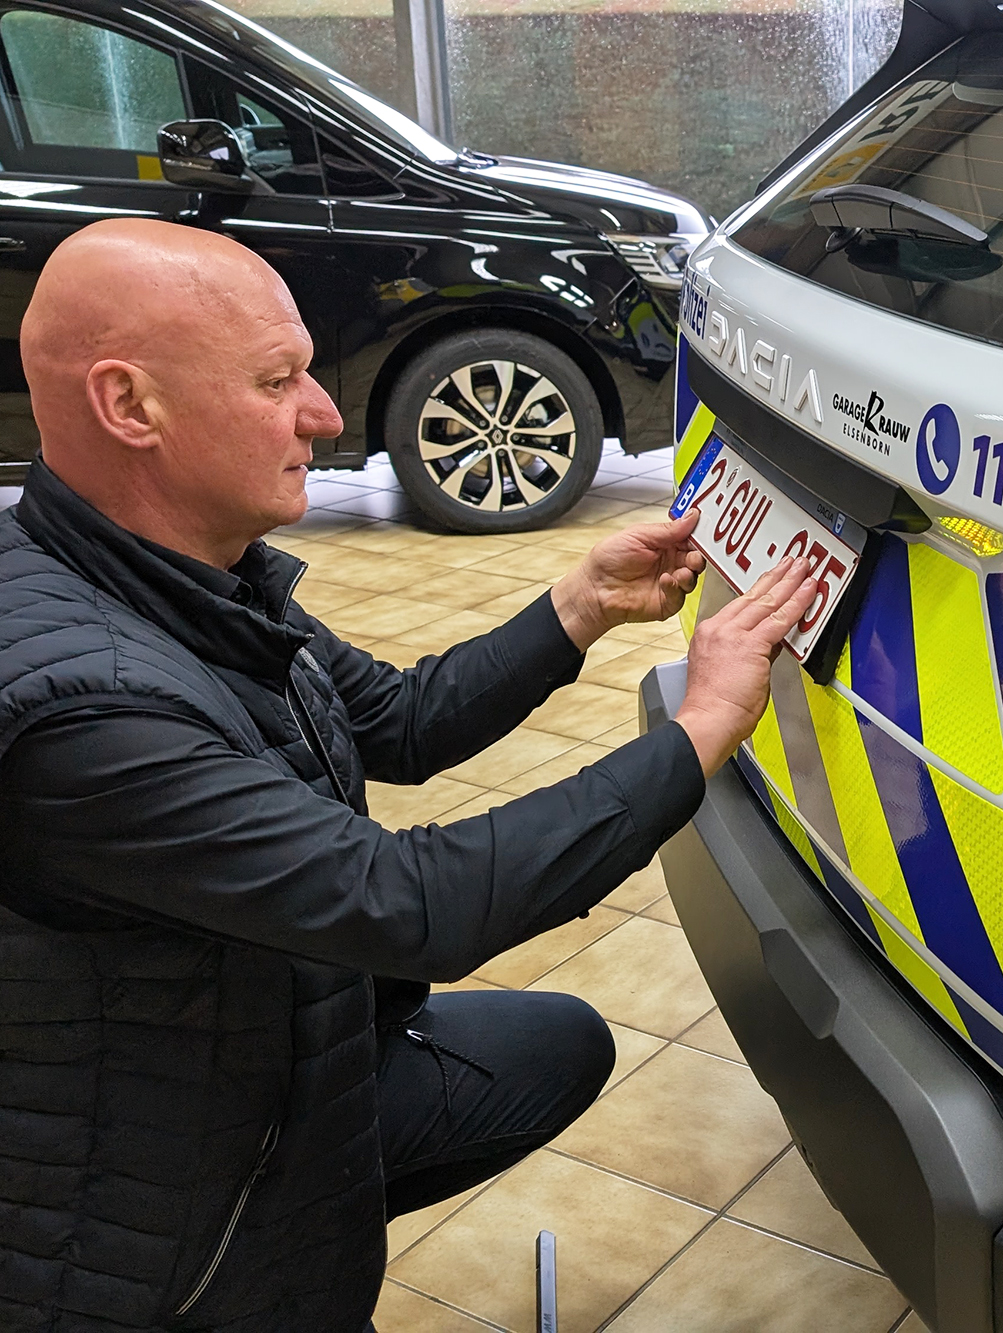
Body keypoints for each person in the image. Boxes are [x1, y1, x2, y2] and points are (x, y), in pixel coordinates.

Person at [0, 218, 814, 1332]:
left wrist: (576, 607)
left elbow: (396, 717)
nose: (326, 414)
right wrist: (701, 724)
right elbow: (405, 904)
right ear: (130, 406)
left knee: (559, 1044)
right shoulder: (84, 712)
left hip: (269, 1047)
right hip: (149, 1221)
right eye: (277, 380)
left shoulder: (184, 572)